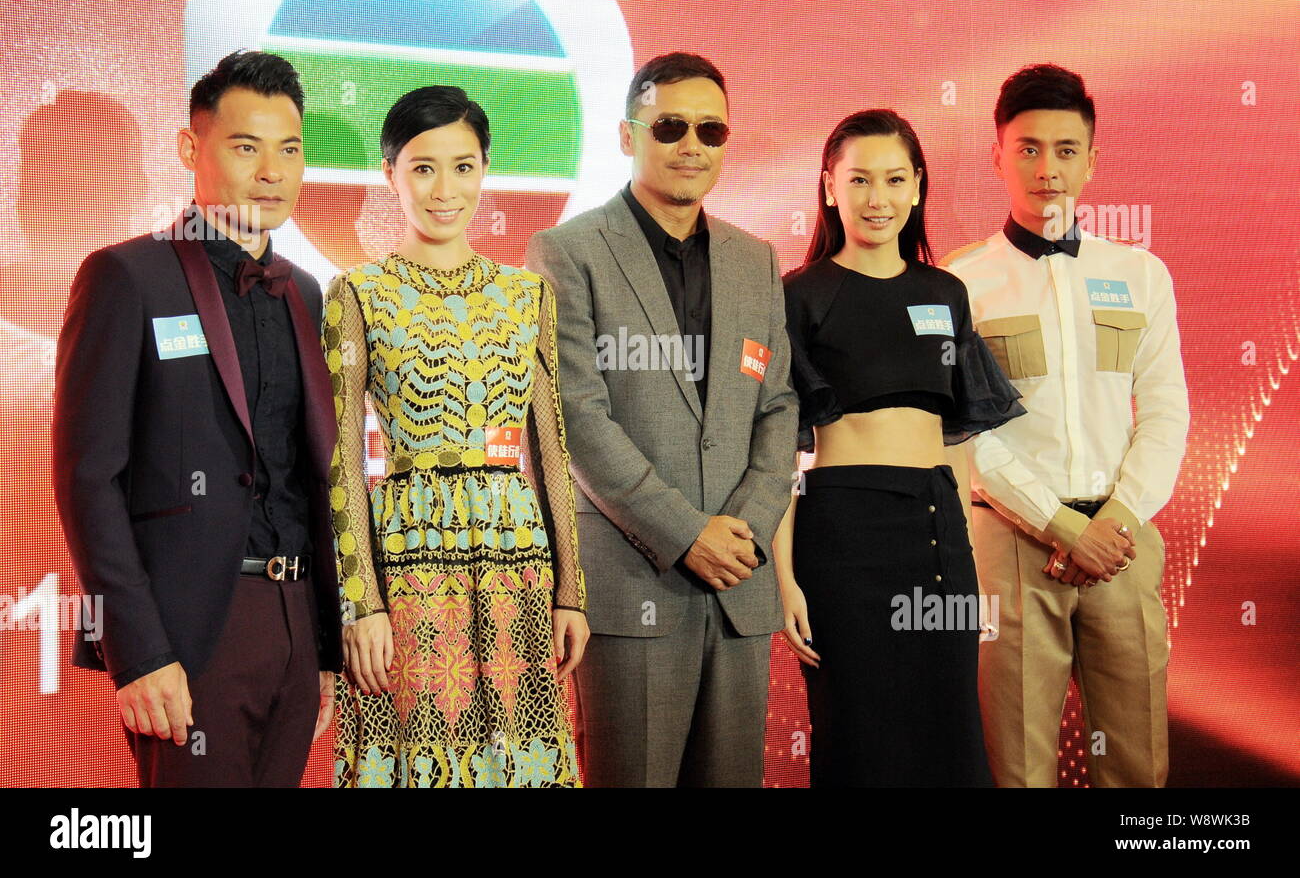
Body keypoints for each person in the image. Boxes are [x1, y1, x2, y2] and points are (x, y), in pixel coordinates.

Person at [52, 50, 342, 787]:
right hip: (190, 630)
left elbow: (311, 474)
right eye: (246, 147)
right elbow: (87, 479)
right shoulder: (127, 275)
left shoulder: (305, 292)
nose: (272, 171)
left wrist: (321, 645)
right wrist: (139, 651)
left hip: (293, 618)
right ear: (191, 148)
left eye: (289, 149)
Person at [526, 52, 797, 788]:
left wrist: (741, 529)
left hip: (739, 580)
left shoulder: (756, 259)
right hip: (631, 581)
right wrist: (686, 534)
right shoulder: (567, 251)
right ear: (627, 135)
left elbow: (777, 405)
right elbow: (575, 417)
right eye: (670, 125)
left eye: (711, 130)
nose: (692, 145)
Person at [327, 85, 588, 788]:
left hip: (516, 558)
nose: (446, 189)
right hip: (408, 555)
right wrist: (363, 601)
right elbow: (341, 458)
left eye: (464, 166)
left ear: (485, 168)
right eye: (422, 168)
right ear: (390, 175)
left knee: (518, 762)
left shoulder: (526, 293)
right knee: (416, 760)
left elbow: (553, 450)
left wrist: (572, 592)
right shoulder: (357, 291)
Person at [941, 64, 1189, 787]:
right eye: (1027, 148)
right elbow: (967, 434)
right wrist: (1055, 522)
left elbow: (1167, 410)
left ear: (1091, 159)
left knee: (1137, 762)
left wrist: (1116, 517)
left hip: (1122, 542)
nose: (1047, 168)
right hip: (1013, 547)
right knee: (1017, 765)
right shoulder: (962, 282)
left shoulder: (1143, 275)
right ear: (997, 156)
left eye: (1065, 149)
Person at [777, 109, 1024, 787]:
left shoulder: (945, 292)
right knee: (858, 733)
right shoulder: (799, 295)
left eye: (893, 179)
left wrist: (965, 547)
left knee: (947, 733)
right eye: (858, 180)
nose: (876, 197)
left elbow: (957, 439)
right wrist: (784, 577)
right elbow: (777, 452)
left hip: (938, 533)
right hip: (840, 538)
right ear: (829, 187)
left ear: (918, 186)